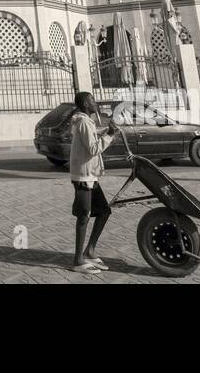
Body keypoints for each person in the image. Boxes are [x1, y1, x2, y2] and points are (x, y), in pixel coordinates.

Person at [69, 91, 119, 272]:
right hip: (83, 176)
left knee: (104, 211)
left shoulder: (85, 122)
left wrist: (105, 132)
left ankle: (89, 250)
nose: (95, 103)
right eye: (92, 101)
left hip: (90, 176)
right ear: (84, 104)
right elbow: (92, 148)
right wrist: (110, 135)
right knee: (84, 216)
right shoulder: (82, 122)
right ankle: (77, 260)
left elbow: (90, 137)